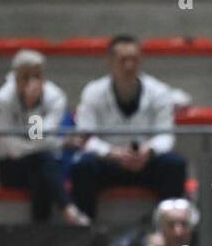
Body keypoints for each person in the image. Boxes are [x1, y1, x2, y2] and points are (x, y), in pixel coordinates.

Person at [70, 35, 188, 218]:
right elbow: (85, 137)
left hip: (145, 161)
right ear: (109, 61)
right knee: (82, 166)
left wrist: (148, 151)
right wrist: (112, 153)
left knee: (174, 164)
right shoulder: (93, 92)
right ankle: (86, 235)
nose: (129, 66)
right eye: (122, 60)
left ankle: (168, 231)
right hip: (108, 162)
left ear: (141, 60)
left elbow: (166, 135)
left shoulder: (159, 91)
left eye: (134, 60)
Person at [0, 49, 89, 225]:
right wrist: (57, 143)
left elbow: (37, 136)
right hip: (11, 167)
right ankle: (69, 210)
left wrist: (33, 107)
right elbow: (12, 149)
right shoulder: (2, 99)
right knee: (43, 162)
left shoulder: (55, 97)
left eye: (37, 75)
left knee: (40, 173)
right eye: (26, 77)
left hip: (42, 165)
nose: (32, 82)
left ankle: (40, 235)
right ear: (15, 77)